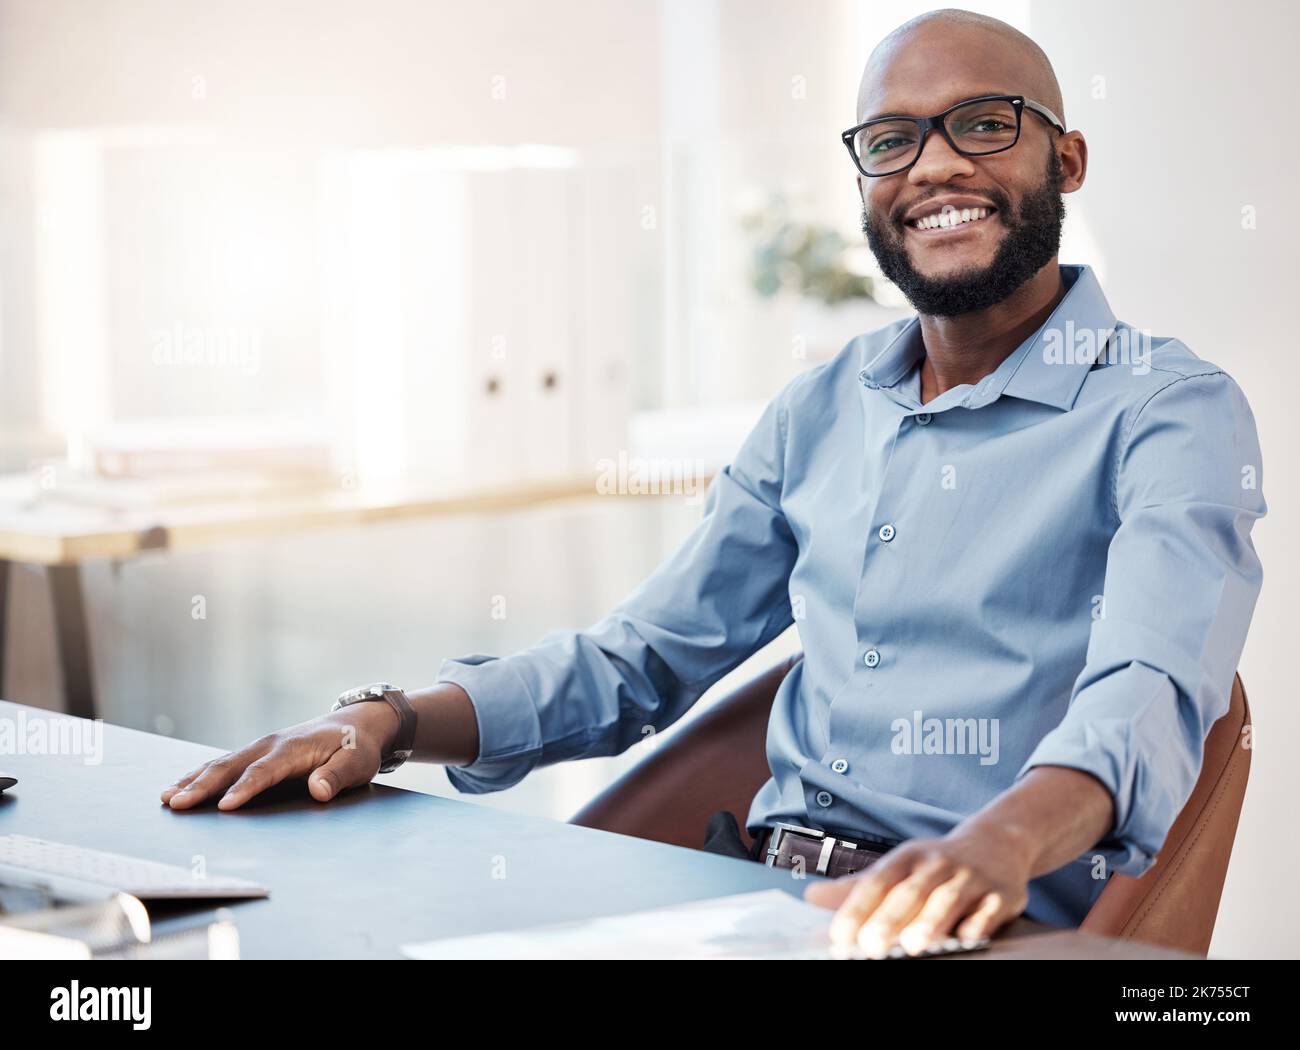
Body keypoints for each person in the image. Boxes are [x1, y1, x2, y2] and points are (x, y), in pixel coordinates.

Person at [161, 9, 1265, 958]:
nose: (933, 167)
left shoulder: (1167, 409)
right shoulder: (820, 406)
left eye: (983, 124)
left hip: (976, 928)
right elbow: (638, 659)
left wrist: (998, 843)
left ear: (1064, 161)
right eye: (891, 141)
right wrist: (391, 723)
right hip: (745, 904)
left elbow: (1151, 688)